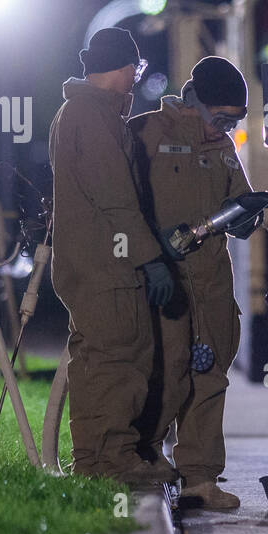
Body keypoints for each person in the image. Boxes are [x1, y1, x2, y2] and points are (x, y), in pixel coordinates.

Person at [48, 27, 179, 487]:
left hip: (92, 262)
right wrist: (149, 259)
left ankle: (97, 457)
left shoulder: (80, 112)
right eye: (135, 70)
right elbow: (116, 200)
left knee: (100, 359)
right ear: (124, 68)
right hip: (107, 266)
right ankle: (108, 459)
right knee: (116, 360)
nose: (134, 80)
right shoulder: (92, 117)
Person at [129, 57, 260, 509]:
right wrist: (147, 259)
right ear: (192, 102)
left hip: (210, 281)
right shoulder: (145, 133)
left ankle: (200, 480)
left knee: (210, 376)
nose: (223, 128)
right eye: (220, 117)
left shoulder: (222, 146)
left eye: (233, 121)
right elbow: (120, 207)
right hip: (163, 277)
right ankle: (141, 462)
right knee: (163, 375)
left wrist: (246, 215)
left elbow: (237, 197)